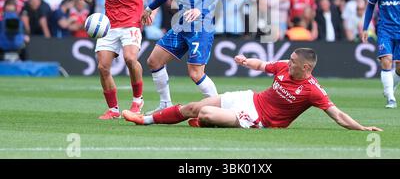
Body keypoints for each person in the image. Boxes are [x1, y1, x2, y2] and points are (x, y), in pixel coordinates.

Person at [121, 48, 382, 131]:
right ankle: (144, 120)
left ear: (305, 68)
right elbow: (264, 64)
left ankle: (209, 123)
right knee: (193, 107)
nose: (287, 63)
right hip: (249, 98)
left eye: (292, 61)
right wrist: (247, 61)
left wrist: (362, 128)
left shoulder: (313, 90)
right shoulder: (283, 67)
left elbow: (337, 115)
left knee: (206, 115)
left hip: (259, 119)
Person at [81, 0, 160, 119]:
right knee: (102, 67)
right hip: (109, 25)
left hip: (132, 23)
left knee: (131, 59)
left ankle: (137, 100)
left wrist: (152, 11)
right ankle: (114, 109)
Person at [140, 0, 223, 114]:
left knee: (195, 73)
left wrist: (200, 9)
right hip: (181, 25)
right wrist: (150, 7)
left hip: (201, 26)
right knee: (153, 61)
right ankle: (165, 105)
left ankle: (220, 108)